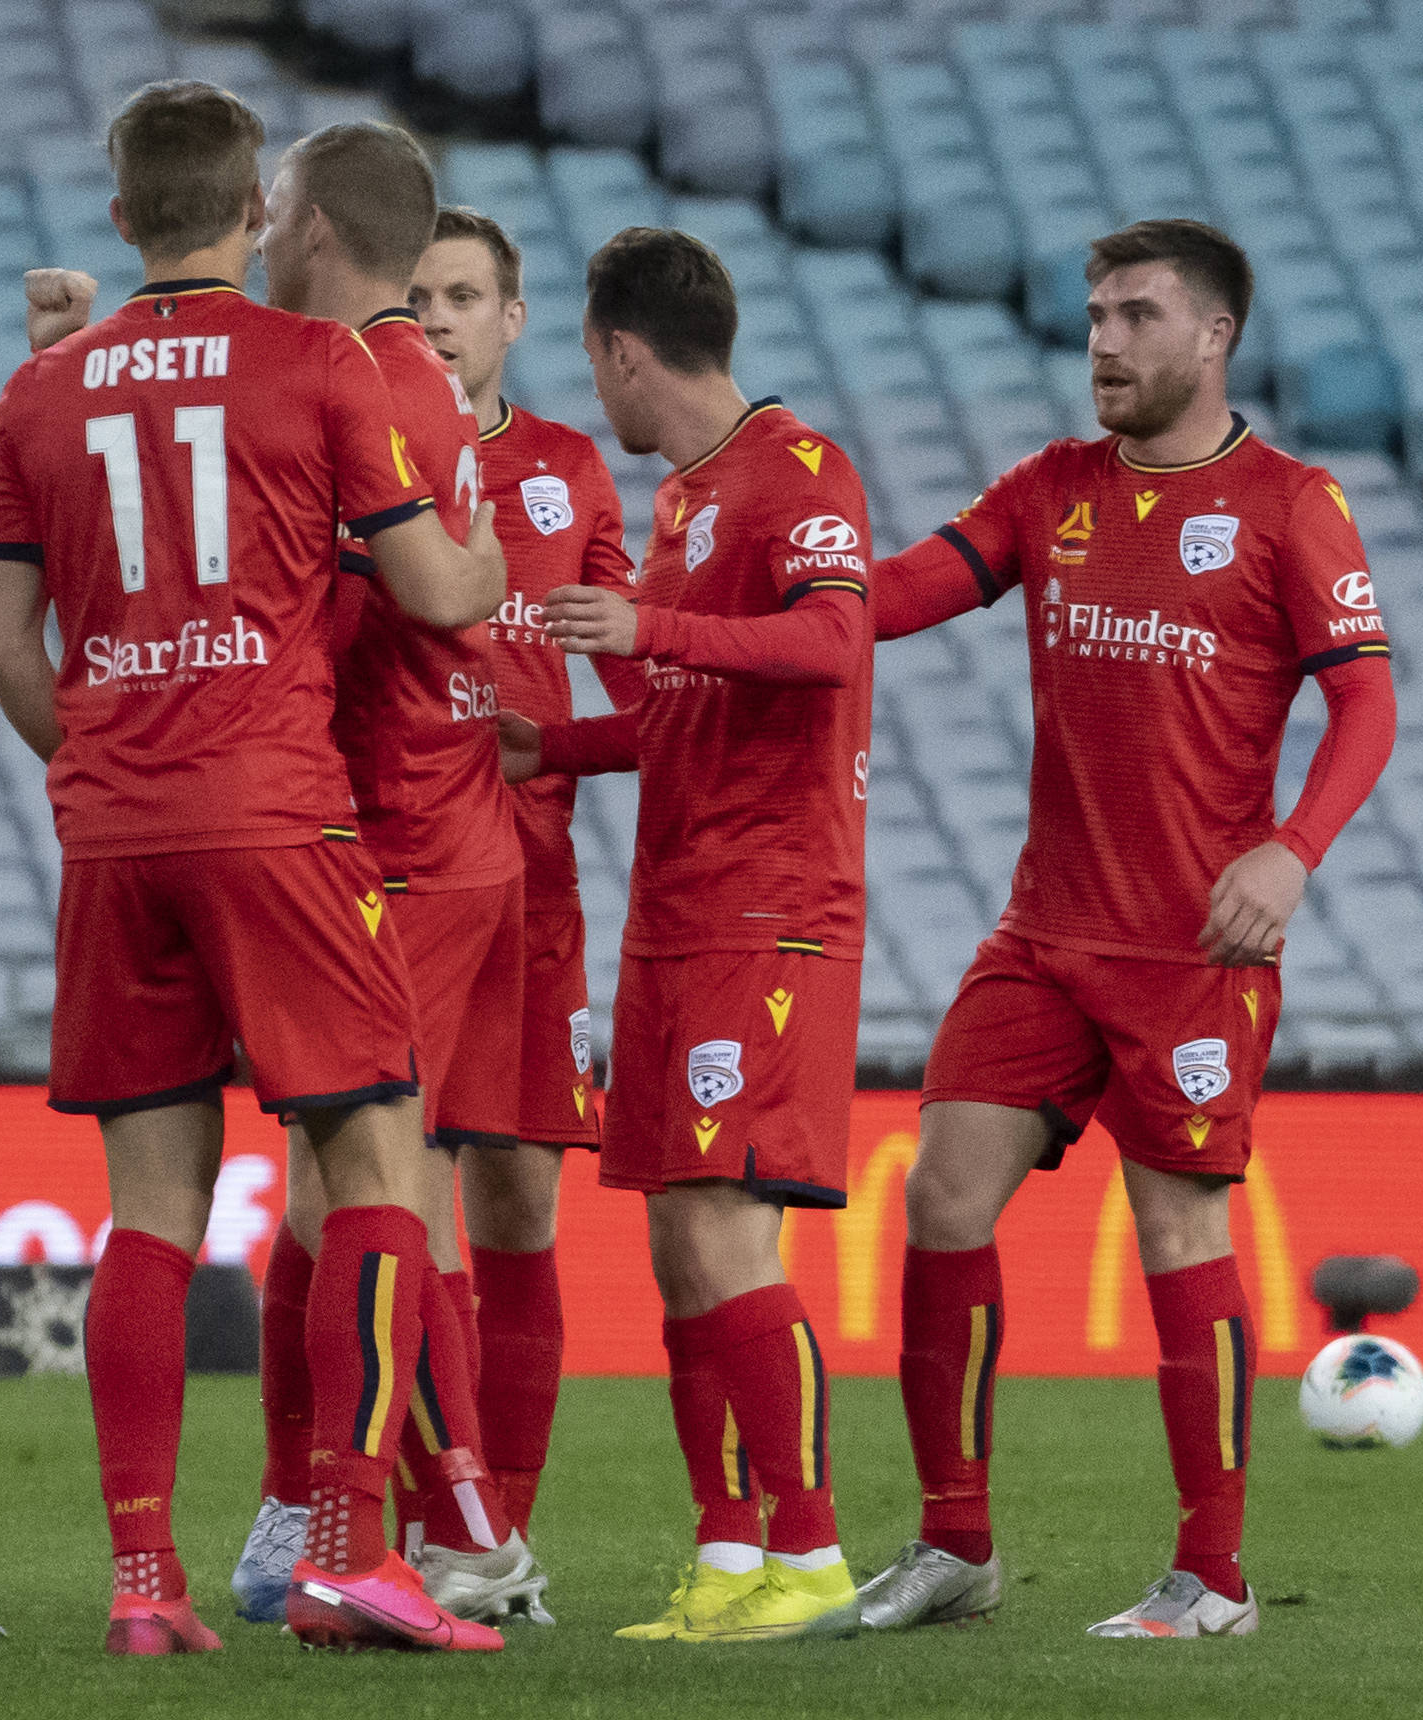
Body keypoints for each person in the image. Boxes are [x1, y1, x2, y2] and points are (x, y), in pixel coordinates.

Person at [0, 80, 509, 1656]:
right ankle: (349, 1547)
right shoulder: (320, 362)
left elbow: (0, 649)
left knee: (149, 1209)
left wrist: (107, 761)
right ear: (253, 208)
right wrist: (485, 556)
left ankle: (145, 1583)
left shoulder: (39, 392)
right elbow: (433, 589)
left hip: (113, 833)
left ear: (120, 213)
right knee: (376, 1163)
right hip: (275, 815)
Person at [854, 218, 1395, 1641]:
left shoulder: (1289, 504)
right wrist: (788, 581)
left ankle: (1213, 1576)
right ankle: (954, 1544)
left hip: (1191, 949)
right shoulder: (1052, 488)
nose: (1102, 341)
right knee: (942, 1198)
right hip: (1042, 934)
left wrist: (1290, 850)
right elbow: (906, 592)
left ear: (1214, 337)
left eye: (1137, 316)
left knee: (1174, 1225)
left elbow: (1366, 700)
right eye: (1095, 315)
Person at [498, 228, 875, 1644]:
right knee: (677, 1242)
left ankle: (813, 1552)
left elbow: (833, 642)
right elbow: (687, 715)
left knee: (726, 1237)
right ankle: (727, 1556)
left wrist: (649, 630)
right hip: (676, 908)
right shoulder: (685, 499)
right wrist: (556, 747)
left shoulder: (800, 470)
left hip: (769, 911)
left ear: (620, 350)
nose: (596, 392)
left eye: (594, 365)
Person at [233, 125, 545, 1630]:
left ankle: (440, 1519)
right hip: (429, 829)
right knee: (369, 1188)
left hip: (400, 836)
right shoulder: (410, 382)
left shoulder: (359, 374)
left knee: (355, 1194)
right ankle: (363, 1510)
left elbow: (402, 598)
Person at [403, 206, 648, 1546]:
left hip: (534, 888)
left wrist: (562, 744)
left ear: (511, 318)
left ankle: (504, 1537)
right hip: (399, 881)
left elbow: (648, 693)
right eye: (416, 296)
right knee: (400, 1197)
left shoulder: (567, 469)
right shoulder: (365, 457)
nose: (435, 318)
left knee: (514, 1206)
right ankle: (431, 1526)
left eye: (460, 296)